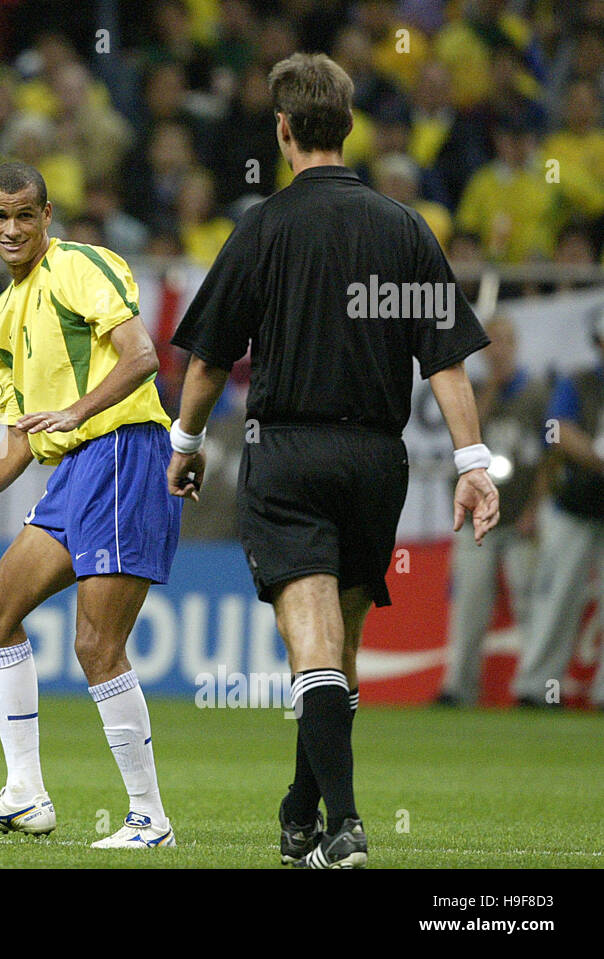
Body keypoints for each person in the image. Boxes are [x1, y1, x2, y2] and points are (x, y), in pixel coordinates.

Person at [168, 53, 497, 868]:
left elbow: (209, 361)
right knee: (337, 651)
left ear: (282, 130)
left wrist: (185, 441)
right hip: (376, 461)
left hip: (287, 451)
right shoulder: (405, 226)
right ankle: (300, 812)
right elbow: (446, 363)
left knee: (311, 646)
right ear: (347, 128)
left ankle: (345, 825)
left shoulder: (264, 226)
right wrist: (473, 461)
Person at [0, 161, 182, 850]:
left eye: (25, 215)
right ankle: (26, 792)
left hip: (120, 451)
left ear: (47, 216)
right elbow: (21, 442)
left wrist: (76, 412)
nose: (12, 228)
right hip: (74, 473)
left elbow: (142, 357)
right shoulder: (0, 322)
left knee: (96, 644)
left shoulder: (82, 266)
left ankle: (150, 818)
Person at [436, 316, 547, 706]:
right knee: (468, 605)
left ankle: (534, 689)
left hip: (519, 516)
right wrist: (490, 391)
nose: (498, 349)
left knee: (530, 603)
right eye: (491, 342)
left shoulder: (536, 393)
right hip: (475, 517)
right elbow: (462, 440)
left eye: (505, 341)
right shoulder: (469, 392)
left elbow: (548, 459)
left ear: (515, 345)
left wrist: (536, 509)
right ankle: (458, 688)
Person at [510, 311, 604, 710]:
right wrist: (599, 457)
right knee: (557, 598)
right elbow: (558, 432)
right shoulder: (579, 381)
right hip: (574, 502)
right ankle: (537, 688)